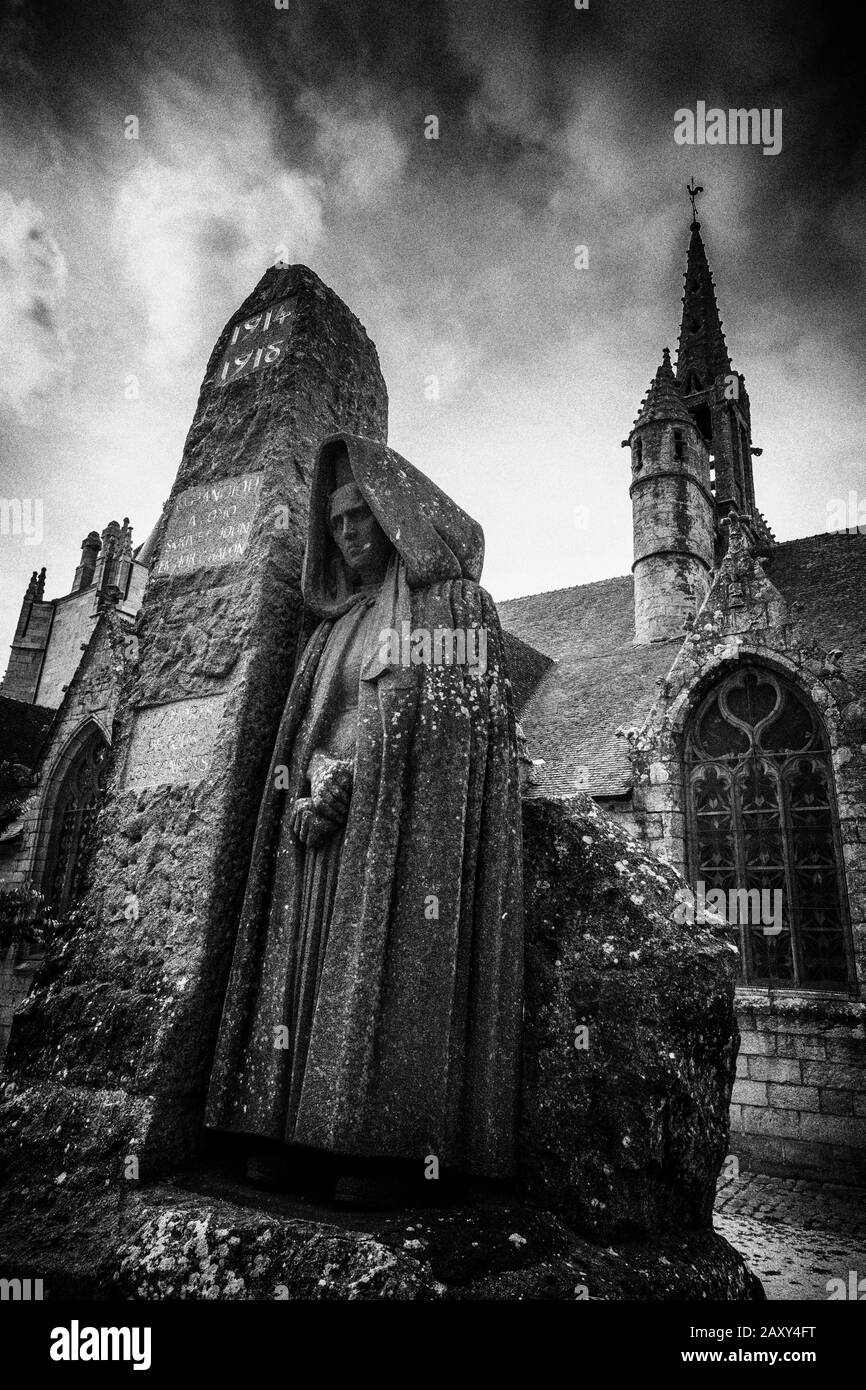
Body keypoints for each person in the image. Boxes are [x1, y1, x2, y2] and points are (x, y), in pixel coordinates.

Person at [205, 433, 523, 1203]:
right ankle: (289, 1128)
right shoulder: (330, 629)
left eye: (362, 515)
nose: (348, 532)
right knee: (304, 973)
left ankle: (383, 1150)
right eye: (336, 519)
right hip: (318, 831)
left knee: (386, 977)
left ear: (396, 516)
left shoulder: (452, 606)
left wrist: (368, 778)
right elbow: (311, 724)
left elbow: (457, 743)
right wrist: (313, 786)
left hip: (406, 840)